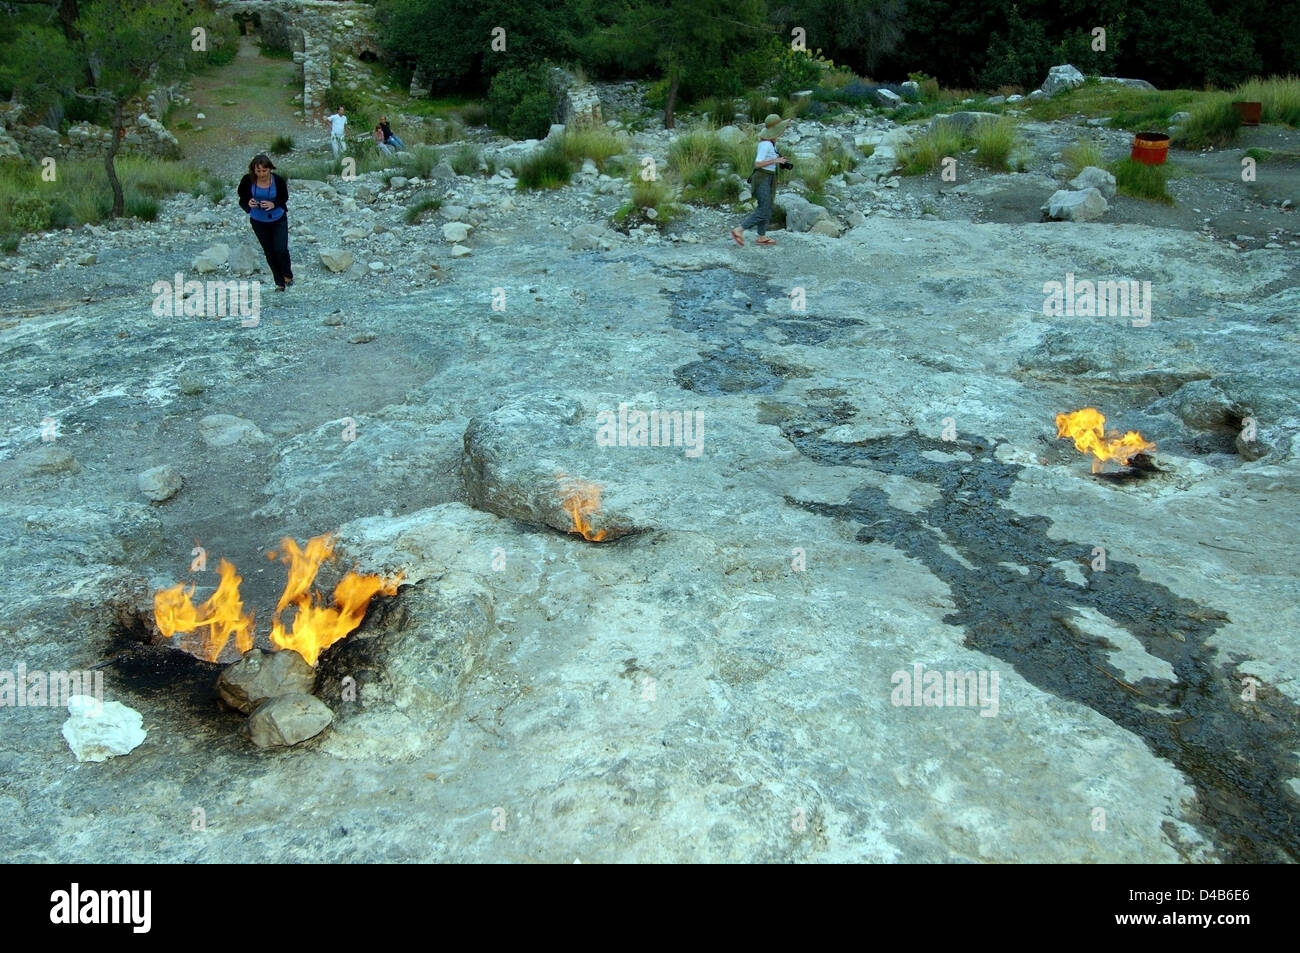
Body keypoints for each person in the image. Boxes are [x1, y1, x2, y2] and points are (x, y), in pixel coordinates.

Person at [731, 114, 793, 247]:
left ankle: (761, 236)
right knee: (764, 209)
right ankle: (739, 230)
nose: (783, 131)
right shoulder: (765, 144)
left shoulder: (772, 143)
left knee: (767, 207)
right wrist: (775, 160)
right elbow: (758, 164)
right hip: (762, 178)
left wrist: (779, 161)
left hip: (769, 177)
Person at [236, 154, 293, 291]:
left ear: (270, 169)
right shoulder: (247, 180)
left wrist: (273, 203)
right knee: (269, 252)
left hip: (278, 218)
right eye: (258, 171)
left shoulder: (278, 180)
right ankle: (279, 282)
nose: (261, 174)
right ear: (253, 170)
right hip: (258, 220)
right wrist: (248, 202)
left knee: (281, 249)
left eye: (264, 171)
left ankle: (287, 274)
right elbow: (242, 195)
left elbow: (284, 197)